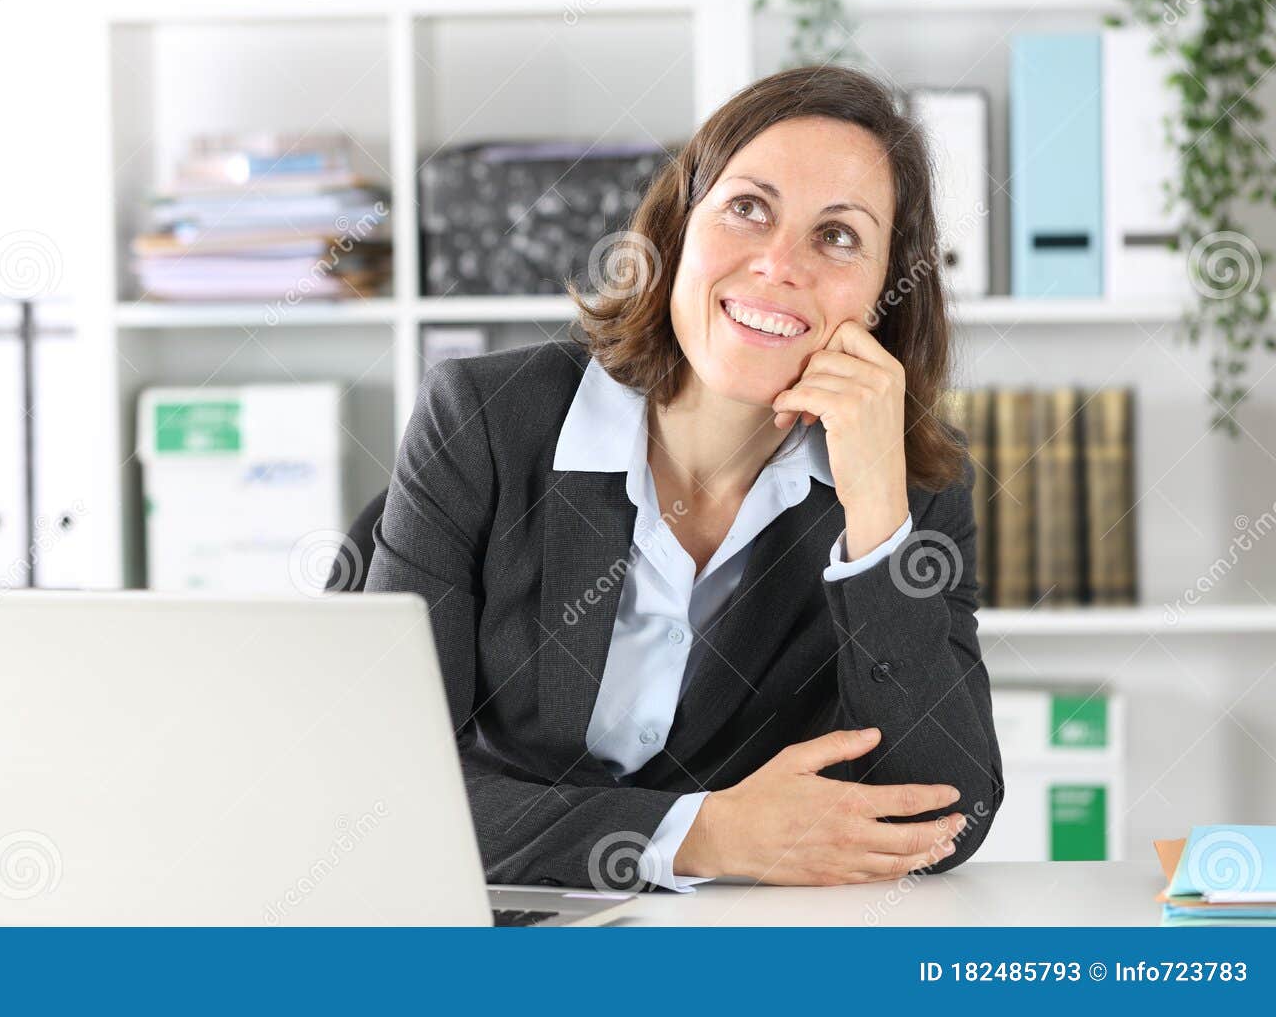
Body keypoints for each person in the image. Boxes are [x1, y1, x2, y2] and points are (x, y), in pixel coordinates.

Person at [365, 63, 1003, 891]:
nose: (779, 264)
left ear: (885, 293)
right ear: (677, 229)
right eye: (748, 207)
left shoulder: (912, 484)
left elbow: (939, 818)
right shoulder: (484, 420)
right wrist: (696, 833)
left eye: (838, 235)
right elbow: (381, 787)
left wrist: (877, 513)